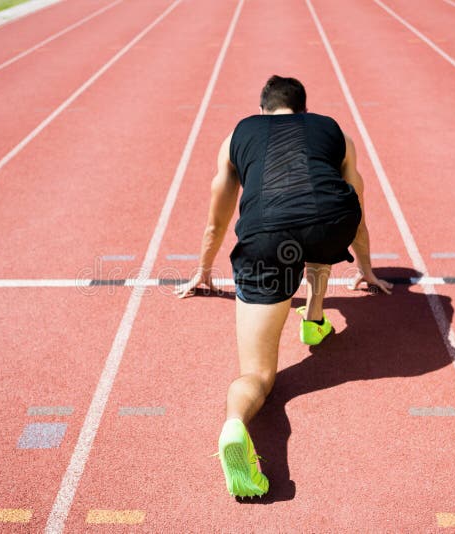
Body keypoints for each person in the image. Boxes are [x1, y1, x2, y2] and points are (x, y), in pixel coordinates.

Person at [174, 75, 393, 498]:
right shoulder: (335, 131)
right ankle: (313, 319)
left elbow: (216, 220)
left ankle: (235, 424)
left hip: (266, 237)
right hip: (332, 224)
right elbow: (357, 207)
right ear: (304, 111)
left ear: (262, 110)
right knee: (317, 222)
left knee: (256, 374)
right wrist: (365, 267)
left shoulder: (238, 134)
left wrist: (203, 270)